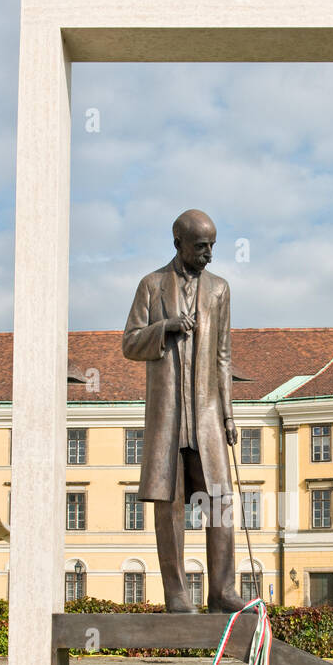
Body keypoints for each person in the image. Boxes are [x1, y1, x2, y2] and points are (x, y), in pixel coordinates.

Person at [122, 210, 245, 613]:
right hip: (168, 417)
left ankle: (222, 592)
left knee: (220, 502)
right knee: (169, 505)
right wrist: (167, 327)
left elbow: (224, 358)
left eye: (212, 246)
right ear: (178, 243)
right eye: (200, 246)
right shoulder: (152, 285)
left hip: (207, 416)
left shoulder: (219, 290)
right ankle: (175, 595)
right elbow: (130, 343)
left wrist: (228, 415)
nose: (208, 254)